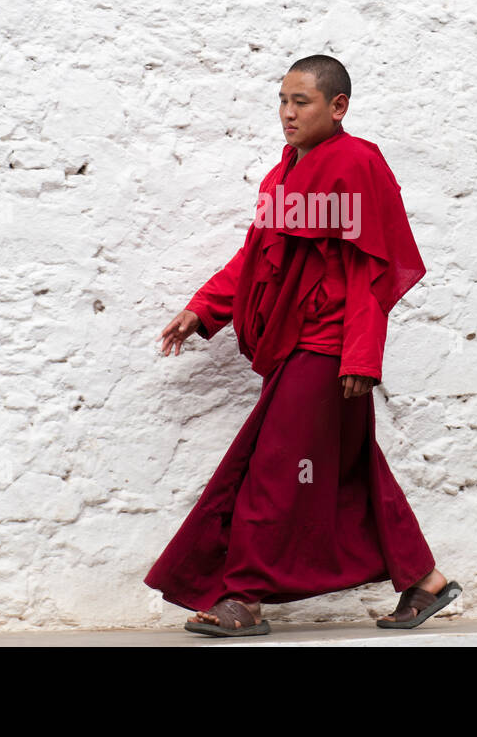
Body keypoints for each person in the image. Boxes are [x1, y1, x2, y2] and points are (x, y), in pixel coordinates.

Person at [146, 54, 460, 636]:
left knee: (272, 468)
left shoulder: (358, 164)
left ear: (338, 107)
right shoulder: (284, 171)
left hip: (328, 347)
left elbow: (370, 269)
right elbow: (259, 256)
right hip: (294, 346)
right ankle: (424, 580)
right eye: (283, 101)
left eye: (302, 102)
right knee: (348, 470)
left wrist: (362, 356)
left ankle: (242, 597)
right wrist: (203, 308)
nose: (288, 114)